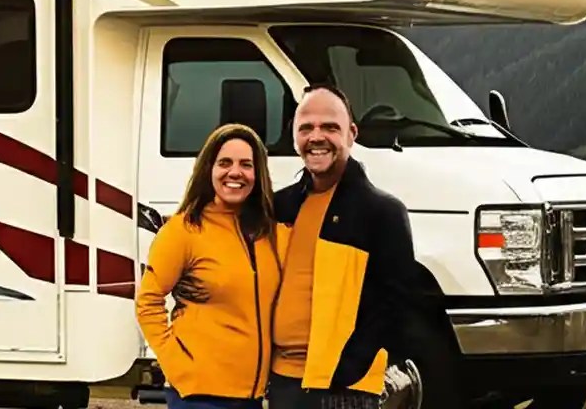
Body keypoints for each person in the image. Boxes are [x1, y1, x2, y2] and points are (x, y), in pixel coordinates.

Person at [268, 83, 416, 409]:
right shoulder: (279, 207)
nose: (316, 137)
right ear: (293, 136)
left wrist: (349, 369)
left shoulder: (382, 212)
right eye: (306, 128)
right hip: (282, 384)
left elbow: (398, 306)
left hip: (346, 390)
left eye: (330, 127)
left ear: (352, 135)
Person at [135, 123, 285, 409]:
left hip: (251, 397)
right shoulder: (183, 230)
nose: (235, 172)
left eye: (246, 164)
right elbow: (148, 302)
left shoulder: (267, 234)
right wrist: (175, 361)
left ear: (258, 174)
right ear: (208, 169)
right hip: (198, 396)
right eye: (224, 163)